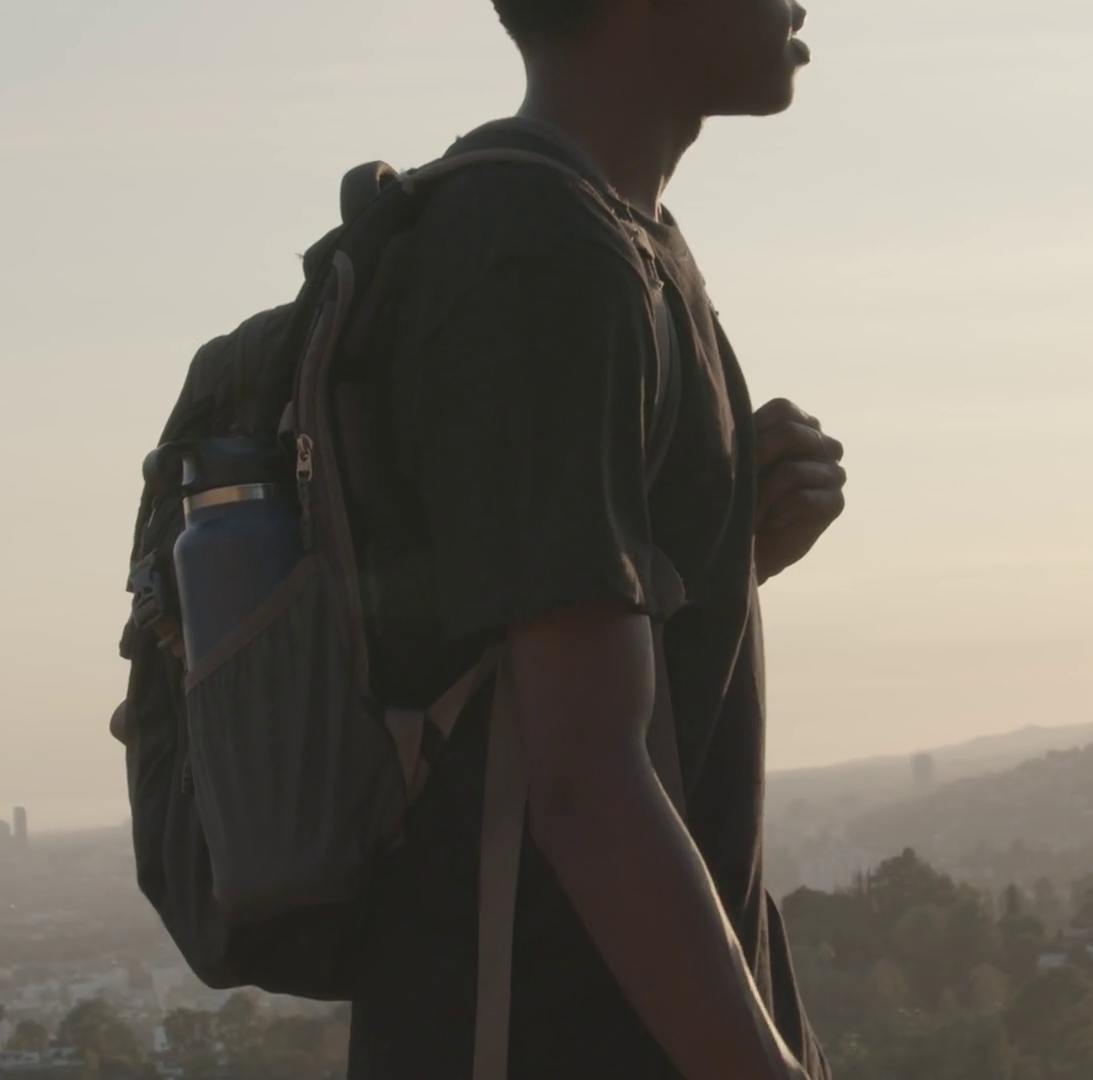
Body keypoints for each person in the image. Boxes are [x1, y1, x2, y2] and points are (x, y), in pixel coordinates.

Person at [348, 1, 845, 1078]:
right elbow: (585, 791)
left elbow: (524, 679)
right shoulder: (542, 257)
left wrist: (720, 553)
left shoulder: (613, 239)